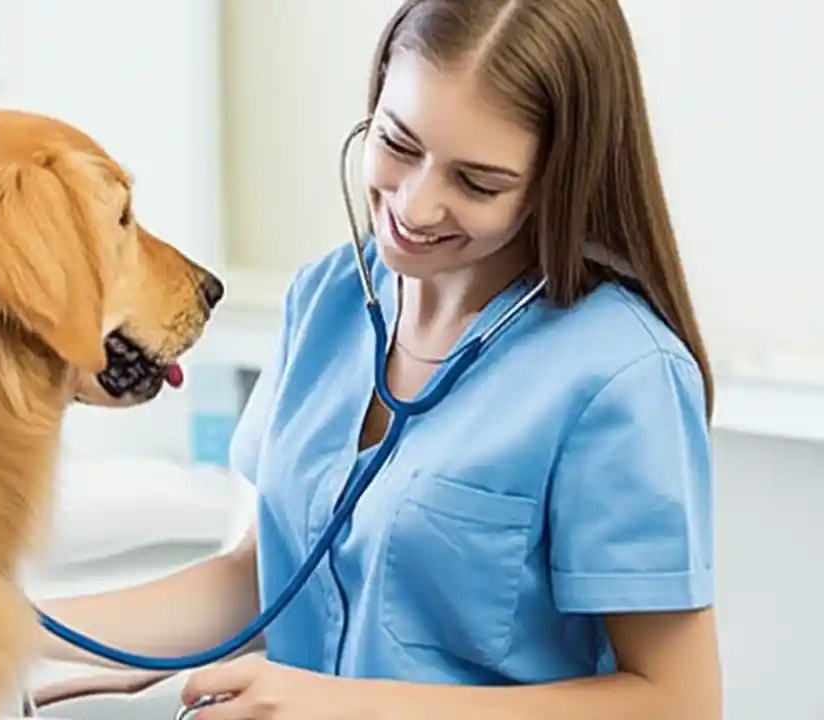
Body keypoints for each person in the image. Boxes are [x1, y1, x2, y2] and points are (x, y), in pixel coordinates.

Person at [36, 0, 723, 717]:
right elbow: (263, 575)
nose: (417, 205)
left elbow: (677, 701)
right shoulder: (330, 297)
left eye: (477, 183)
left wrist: (346, 705)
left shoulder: (622, 375)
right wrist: (16, 627)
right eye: (398, 143)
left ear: (559, 177)